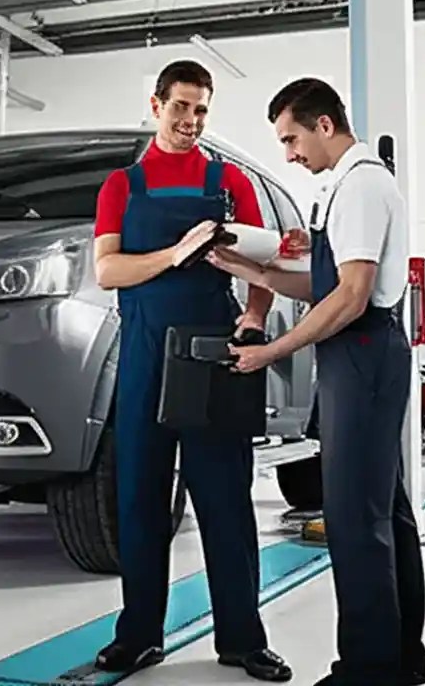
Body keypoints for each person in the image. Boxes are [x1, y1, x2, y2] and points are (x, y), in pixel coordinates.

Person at [209, 77, 425, 686]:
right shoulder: (346, 186)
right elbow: (324, 285)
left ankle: (367, 669)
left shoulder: (360, 186)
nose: (289, 154)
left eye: (292, 139)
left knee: (356, 522)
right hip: (362, 354)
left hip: (362, 352)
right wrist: (245, 266)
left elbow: (352, 297)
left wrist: (272, 351)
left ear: (323, 125)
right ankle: (402, 660)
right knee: (385, 512)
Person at [91, 59, 292, 683]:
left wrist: (254, 318)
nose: (191, 120)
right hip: (147, 356)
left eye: (201, 109)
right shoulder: (121, 185)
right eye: (181, 107)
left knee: (225, 500)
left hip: (213, 354)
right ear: (156, 106)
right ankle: (139, 635)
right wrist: (176, 254)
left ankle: (242, 638)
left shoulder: (230, 179)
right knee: (141, 501)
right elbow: (108, 271)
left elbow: (262, 268)